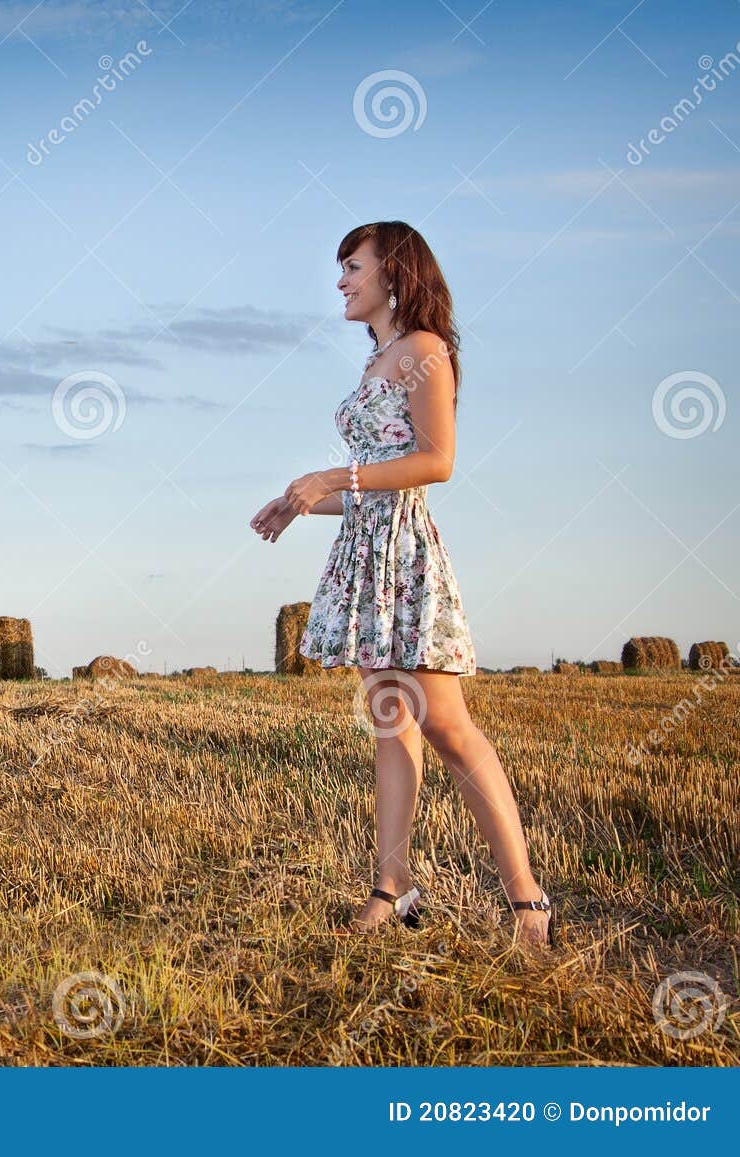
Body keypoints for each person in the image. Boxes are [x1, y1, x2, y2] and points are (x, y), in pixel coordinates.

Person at [249, 220, 553, 949]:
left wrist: (334, 475)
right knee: (391, 723)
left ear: (393, 271)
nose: (341, 281)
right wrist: (302, 503)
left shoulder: (424, 352)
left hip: (405, 557)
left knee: (446, 724)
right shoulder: (376, 361)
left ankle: (528, 903)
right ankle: (392, 888)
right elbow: (368, 488)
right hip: (366, 551)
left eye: (352, 266)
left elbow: (436, 461)